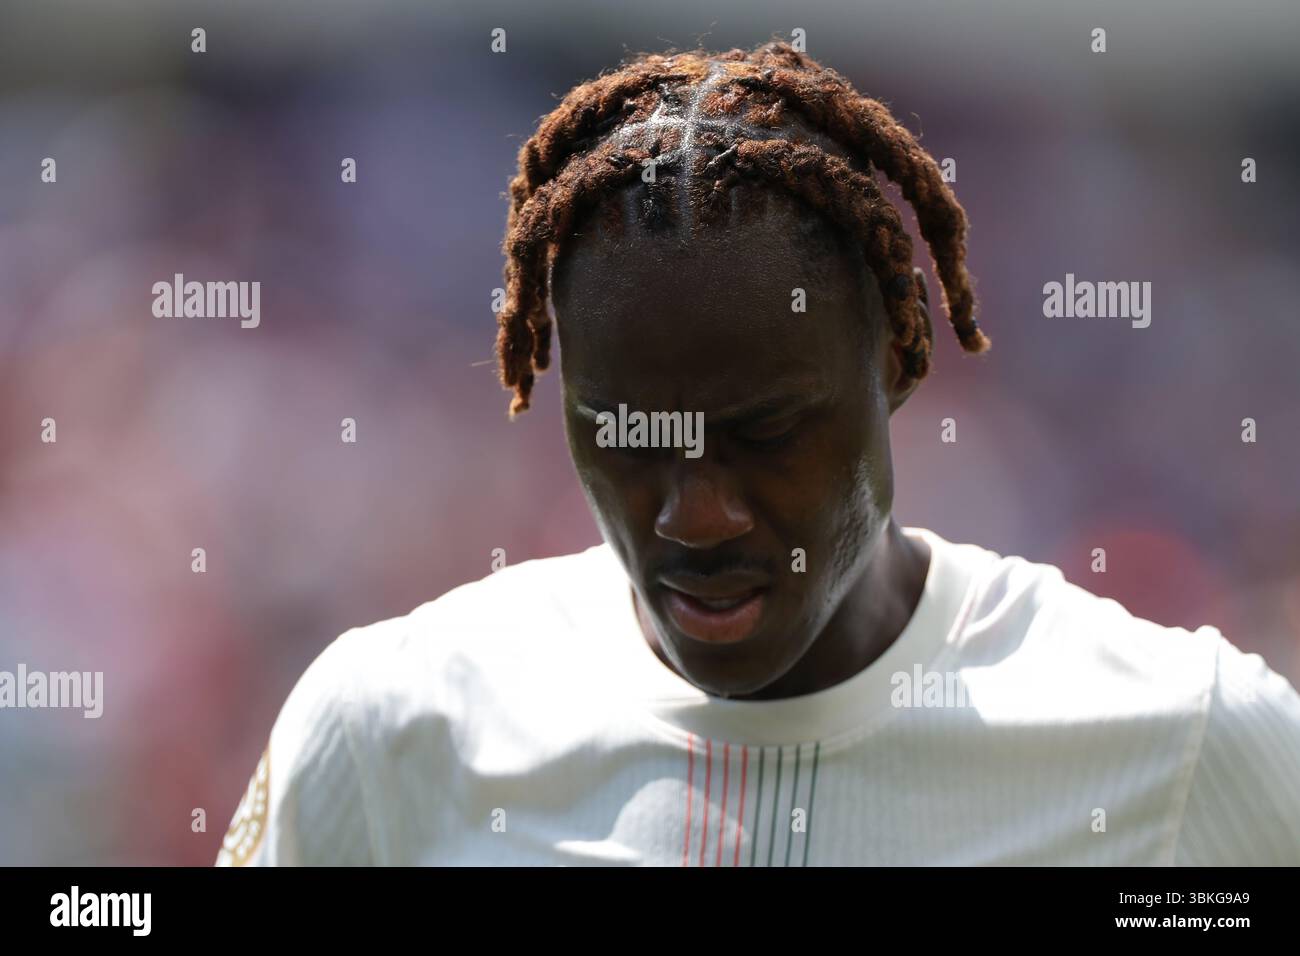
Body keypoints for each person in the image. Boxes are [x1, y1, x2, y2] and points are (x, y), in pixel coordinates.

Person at [217, 41, 1300, 866]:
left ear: (898, 363)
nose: (695, 517)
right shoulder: (389, 730)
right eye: (630, 434)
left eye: (767, 432)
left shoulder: (1183, 744)